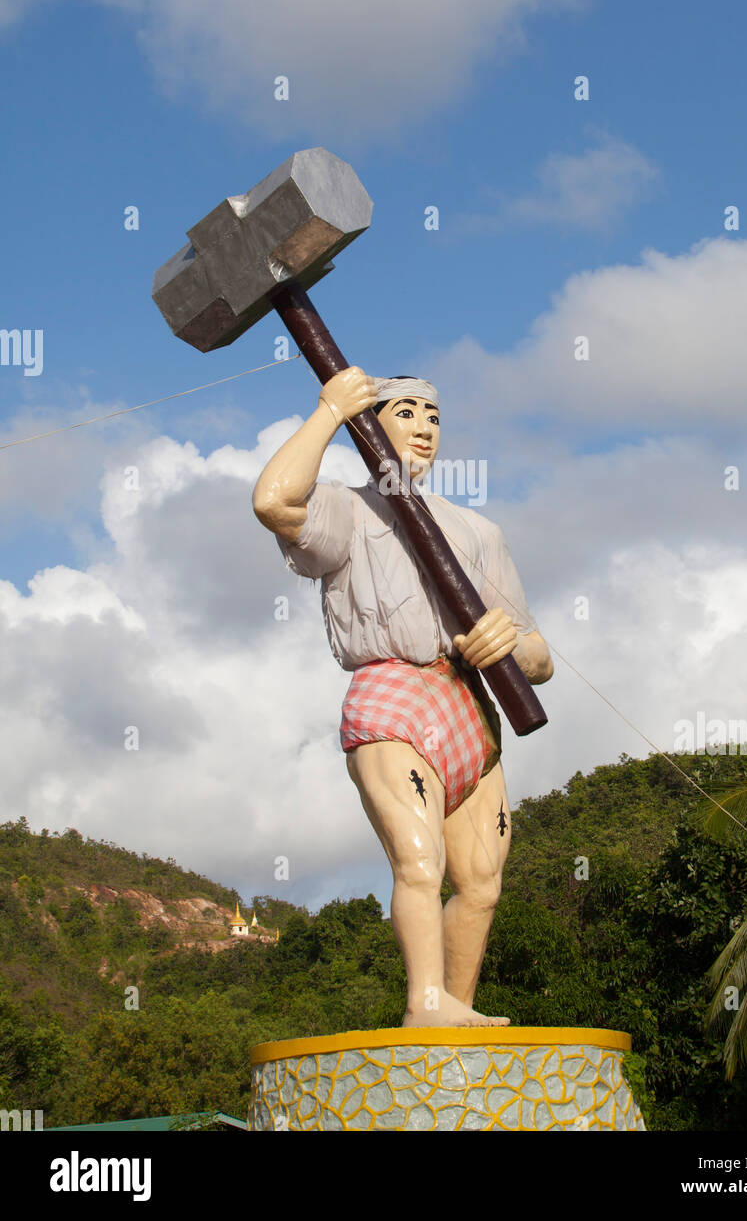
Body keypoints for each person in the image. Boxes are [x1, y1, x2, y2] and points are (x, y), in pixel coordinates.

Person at [252, 367, 553, 1027]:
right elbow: (273, 502)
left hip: (471, 705)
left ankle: (458, 1011)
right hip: (392, 692)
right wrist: (330, 411)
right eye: (406, 412)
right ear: (374, 424)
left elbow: (539, 657)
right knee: (420, 861)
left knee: (481, 881)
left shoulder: (479, 531)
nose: (423, 428)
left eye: (433, 416)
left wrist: (510, 644)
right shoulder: (347, 508)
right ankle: (423, 1001)